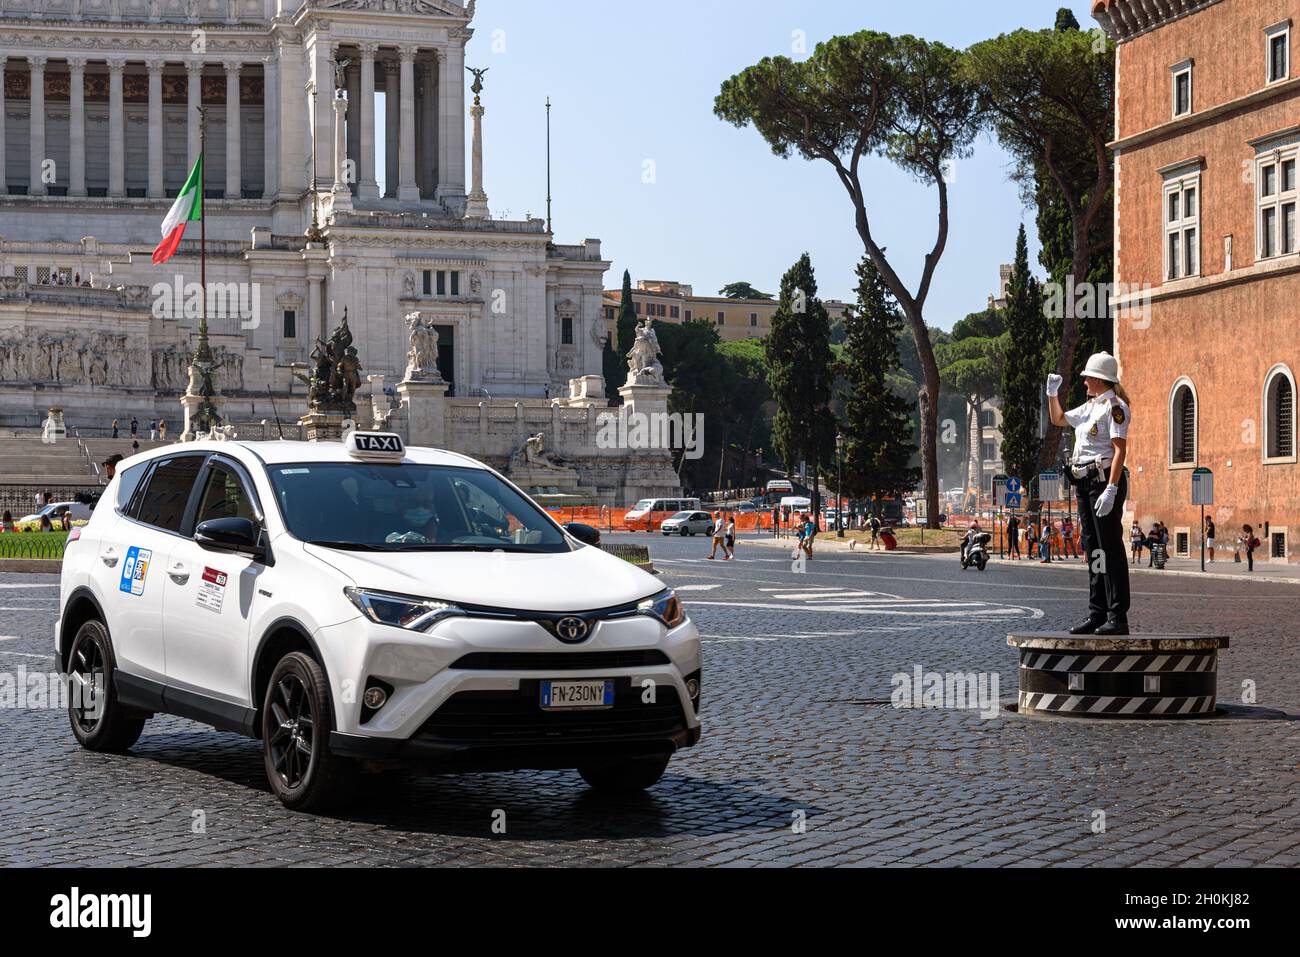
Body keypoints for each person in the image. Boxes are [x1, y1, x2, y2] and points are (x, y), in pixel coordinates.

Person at [1047, 351, 1132, 635]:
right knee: (1093, 549)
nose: (1084, 383)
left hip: (1103, 481)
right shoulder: (1090, 407)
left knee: (1111, 549)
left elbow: (1120, 450)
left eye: (1087, 378)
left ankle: (1118, 615)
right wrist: (1052, 393)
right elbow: (1058, 419)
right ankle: (1097, 612)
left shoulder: (1115, 407)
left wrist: (1112, 488)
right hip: (1084, 484)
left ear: (1099, 379)